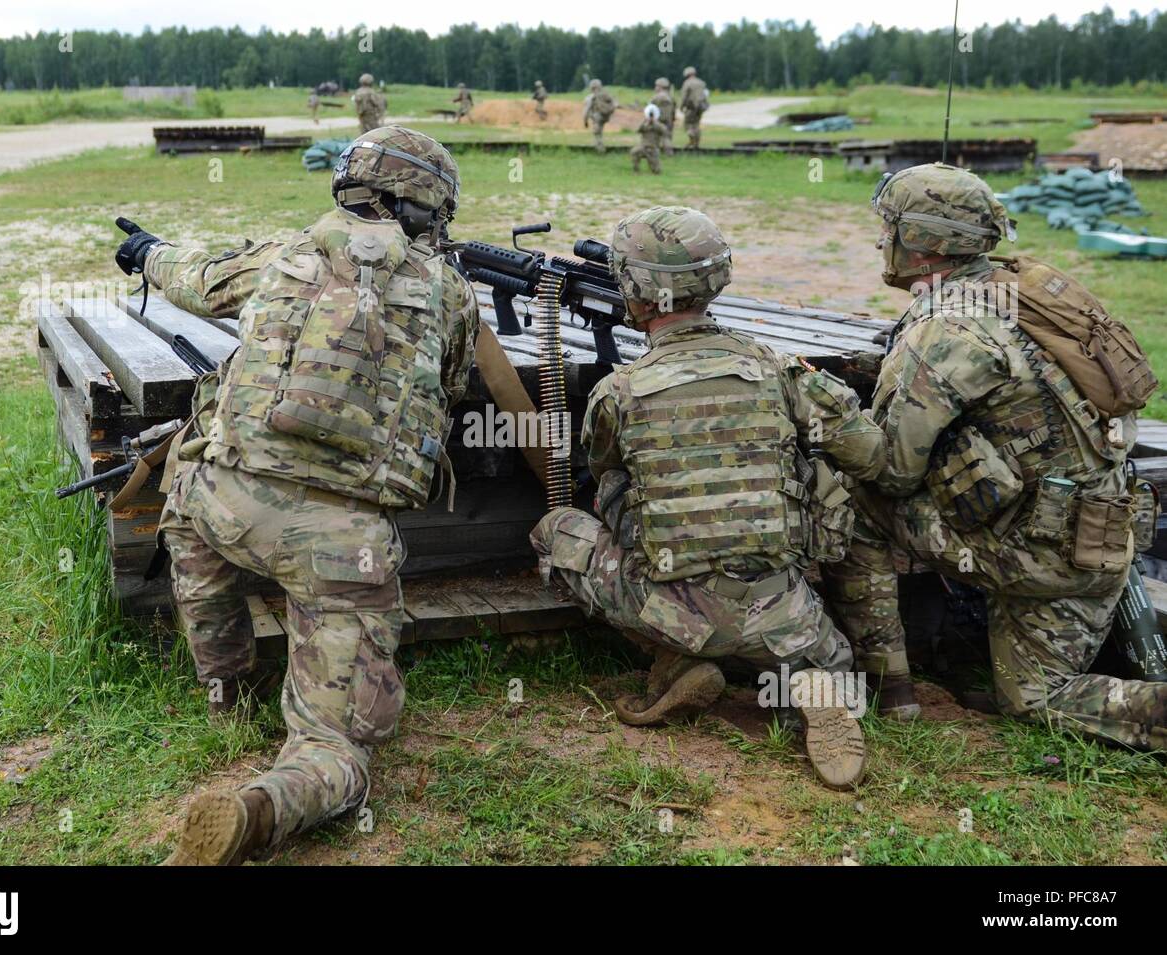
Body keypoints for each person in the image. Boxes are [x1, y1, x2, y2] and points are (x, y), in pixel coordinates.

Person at [112, 126, 479, 863]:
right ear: (430, 210)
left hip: (224, 503)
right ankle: (267, 803)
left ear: (350, 185)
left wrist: (145, 249)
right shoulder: (450, 291)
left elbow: (200, 278)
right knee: (339, 749)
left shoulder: (290, 249)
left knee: (182, 501)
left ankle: (224, 684)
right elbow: (452, 388)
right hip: (342, 545)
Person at [531, 206, 888, 788]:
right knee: (827, 664)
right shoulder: (777, 370)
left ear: (636, 294)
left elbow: (606, 489)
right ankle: (815, 688)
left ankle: (675, 659)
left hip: (665, 602)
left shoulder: (617, 392)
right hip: (781, 609)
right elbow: (868, 453)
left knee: (557, 531)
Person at [820, 162, 1166, 748]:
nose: (882, 240)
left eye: (890, 227)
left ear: (922, 242)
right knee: (1038, 693)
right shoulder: (1026, 291)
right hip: (1100, 543)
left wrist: (826, 413)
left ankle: (889, 688)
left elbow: (893, 470)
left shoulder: (943, 328)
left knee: (847, 494)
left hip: (1037, 557)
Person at [582, 79, 617, 153]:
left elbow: (586, 111)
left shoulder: (590, 98)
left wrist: (585, 121)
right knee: (599, 132)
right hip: (605, 116)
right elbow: (614, 104)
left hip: (597, 118)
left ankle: (600, 149)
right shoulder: (606, 94)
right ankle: (600, 147)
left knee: (597, 134)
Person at [679, 67, 708, 149]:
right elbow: (705, 95)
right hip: (701, 107)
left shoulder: (687, 83)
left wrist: (681, 107)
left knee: (688, 124)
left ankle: (692, 140)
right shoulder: (701, 82)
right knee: (696, 124)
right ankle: (696, 144)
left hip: (691, 107)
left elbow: (684, 97)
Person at [631, 104, 664, 174]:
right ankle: (636, 170)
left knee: (656, 171)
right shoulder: (645, 125)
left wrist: (655, 123)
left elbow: (664, 131)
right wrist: (644, 122)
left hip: (653, 149)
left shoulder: (658, 125)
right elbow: (638, 130)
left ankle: (655, 167)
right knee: (634, 152)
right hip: (643, 147)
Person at [650, 77, 676, 156]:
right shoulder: (671, 97)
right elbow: (674, 110)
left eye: (656, 86)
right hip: (669, 120)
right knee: (667, 137)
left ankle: (655, 154)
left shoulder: (657, 97)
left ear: (660, 87)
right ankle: (668, 153)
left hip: (658, 119)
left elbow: (650, 108)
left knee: (655, 137)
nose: (655, 88)